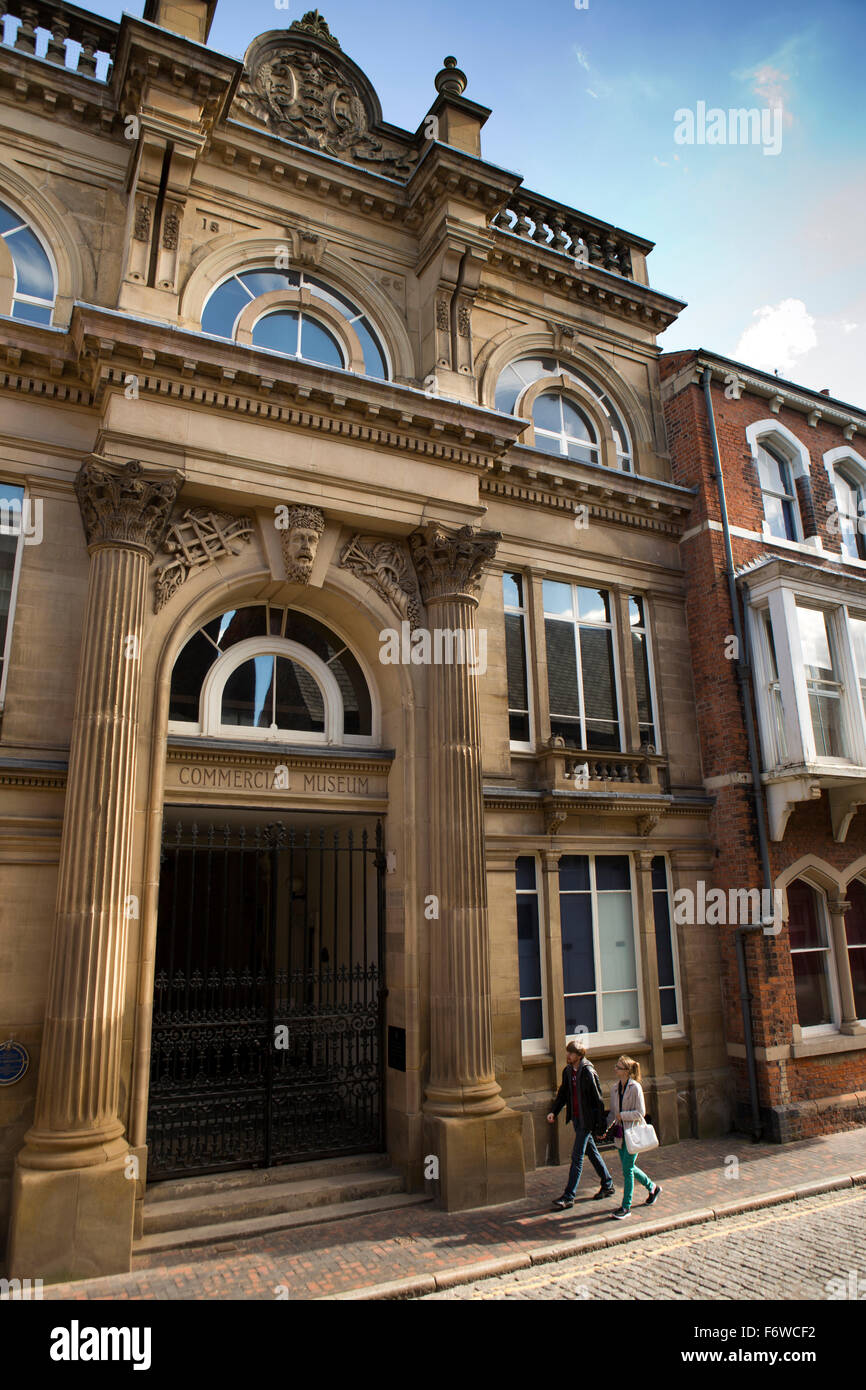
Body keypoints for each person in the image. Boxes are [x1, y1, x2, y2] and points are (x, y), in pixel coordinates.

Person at [547, 1039, 614, 1208]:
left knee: (577, 1156)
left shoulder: (588, 1072)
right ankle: (607, 1184)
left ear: (579, 1055)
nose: (568, 1055)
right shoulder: (568, 1071)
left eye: (571, 1053)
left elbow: (598, 1101)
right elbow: (563, 1094)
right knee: (592, 1152)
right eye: (568, 1052)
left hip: (587, 1121)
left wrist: (601, 1126)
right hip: (577, 1119)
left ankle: (569, 1196)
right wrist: (554, 1111)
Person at [602, 1055, 662, 1220]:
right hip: (620, 1134)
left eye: (619, 1067)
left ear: (626, 1071)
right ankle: (652, 1187)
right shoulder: (614, 1088)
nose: (615, 1069)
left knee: (627, 1170)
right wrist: (605, 1129)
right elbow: (613, 1114)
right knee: (628, 1167)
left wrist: (623, 1115)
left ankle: (626, 1207)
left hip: (633, 1133)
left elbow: (640, 1113)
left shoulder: (635, 1087)